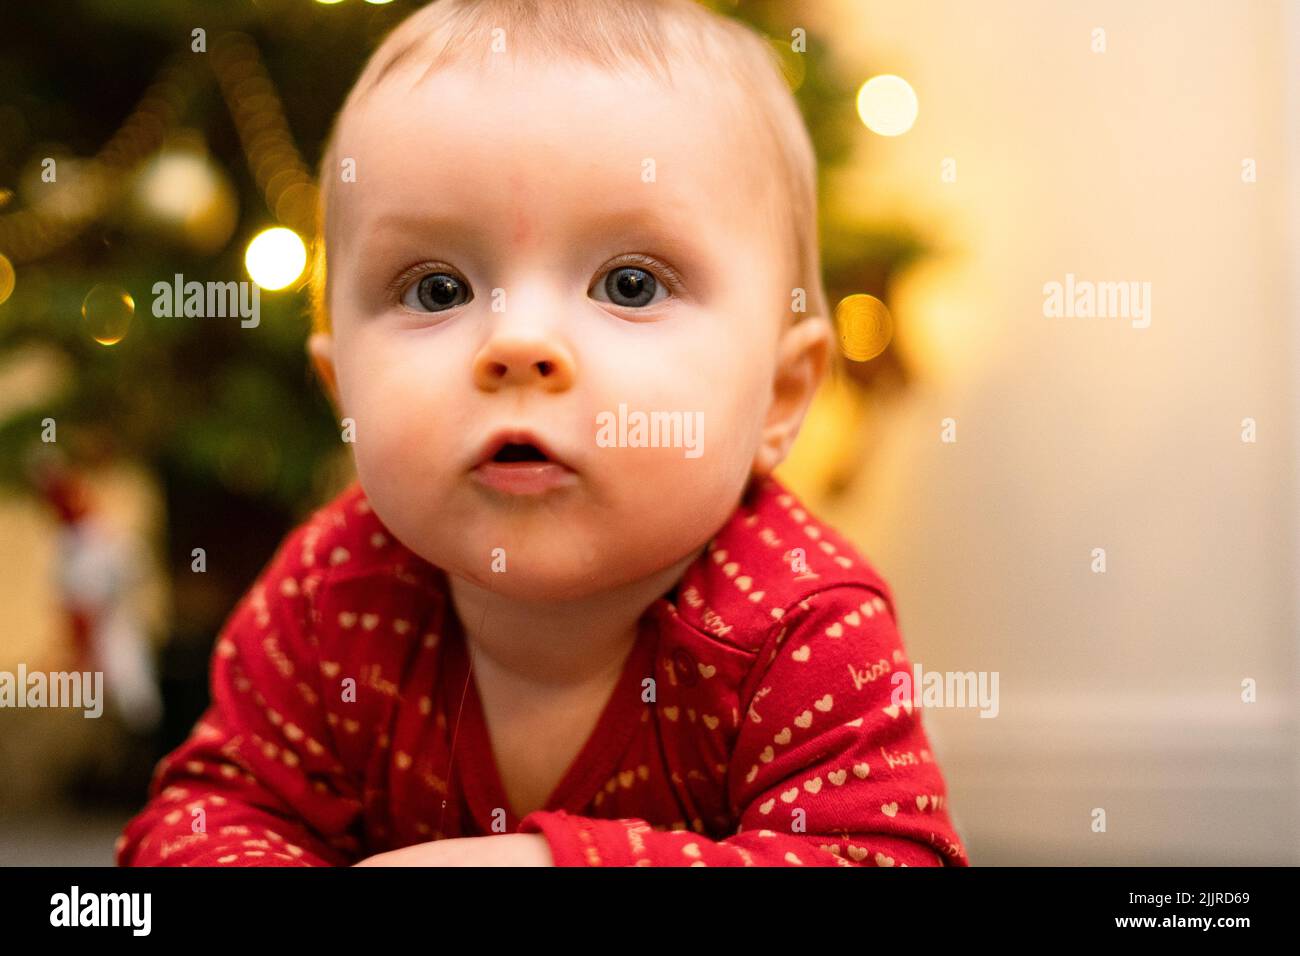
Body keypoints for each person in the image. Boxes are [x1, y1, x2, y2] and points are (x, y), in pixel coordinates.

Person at [117, 0, 969, 867]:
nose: (517, 345)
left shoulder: (798, 627)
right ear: (344, 392)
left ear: (782, 398)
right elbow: (198, 821)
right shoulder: (332, 595)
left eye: (630, 283)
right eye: (437, 290)